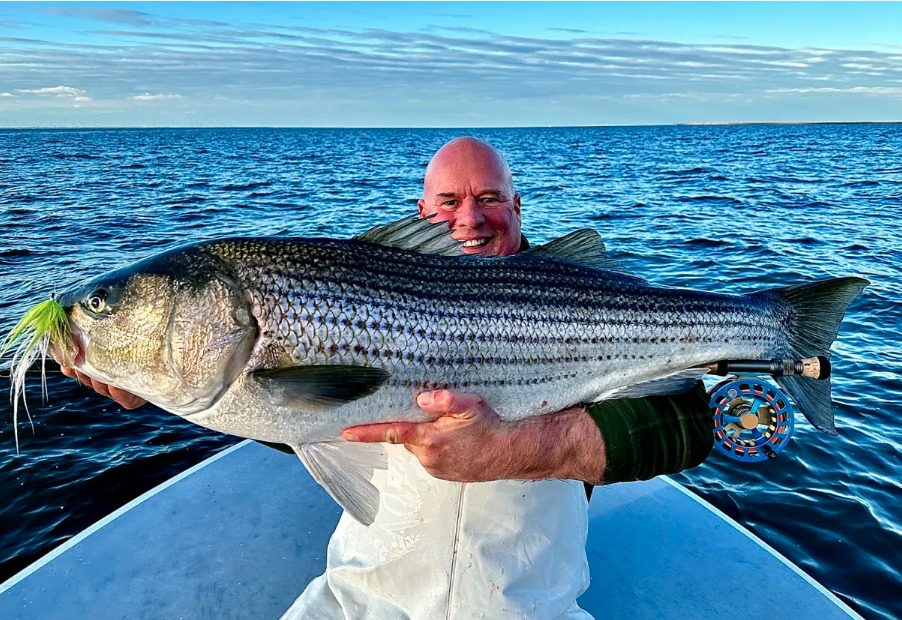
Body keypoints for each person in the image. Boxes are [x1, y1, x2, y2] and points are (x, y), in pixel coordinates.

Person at [61, 137, 713, 619]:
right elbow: (293, 414)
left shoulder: (586, 302)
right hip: (359, 601)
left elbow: (688, 423)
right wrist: (157, 381)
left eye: (489, 199)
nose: (470, 218)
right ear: (421, 210)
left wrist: (520, 447)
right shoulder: (354, 284)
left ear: (517, 207)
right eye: (449, 201)